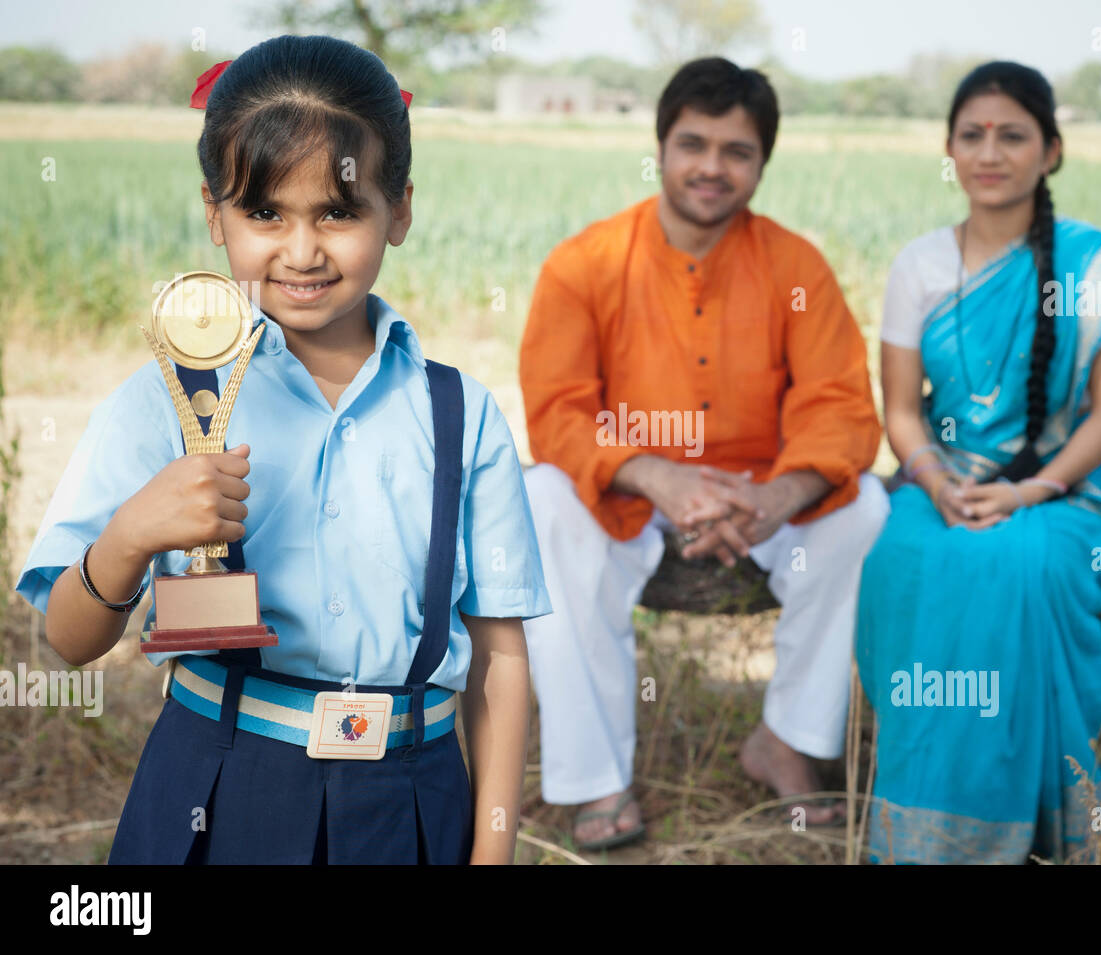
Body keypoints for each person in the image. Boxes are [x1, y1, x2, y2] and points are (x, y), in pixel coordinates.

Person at [13, 34, 551, 865]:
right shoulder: (165, 398)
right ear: (214, 213)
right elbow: (72, 639)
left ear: (399, 210)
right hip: (219, 784)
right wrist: (130, 535)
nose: (301, 251)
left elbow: (499, 660)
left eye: (338, 211)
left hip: (414, 802)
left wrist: (493, 853)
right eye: (265, 213)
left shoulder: (462, 416)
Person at [518, 57, 890, 851]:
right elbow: (558, 410)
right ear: (661, 147)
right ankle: (596, 777)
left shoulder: (796, 268)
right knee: (544, 495)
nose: (712, 167)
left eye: (737, 151)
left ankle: (785, 739)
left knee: (865, 505)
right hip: (627, 487)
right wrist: (657, 474)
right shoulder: (585, 263)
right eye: (694, 144)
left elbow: (840, 405)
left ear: (762, 163)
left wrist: (777, 497)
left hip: (762, 498)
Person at [854, 61, 1101, 864]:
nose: (989, 153)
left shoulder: (1096, 268)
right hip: (944, 474)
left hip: (1068, 484)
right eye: (972, 135)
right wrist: (936, 482)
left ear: (1051, 151)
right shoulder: (919, 265)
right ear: (950, 150)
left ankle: (1035, 810)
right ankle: (928, 821)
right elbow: (901, 411)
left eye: (1013, 136)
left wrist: (1030, 491)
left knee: (1021, 562)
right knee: (902, 556)